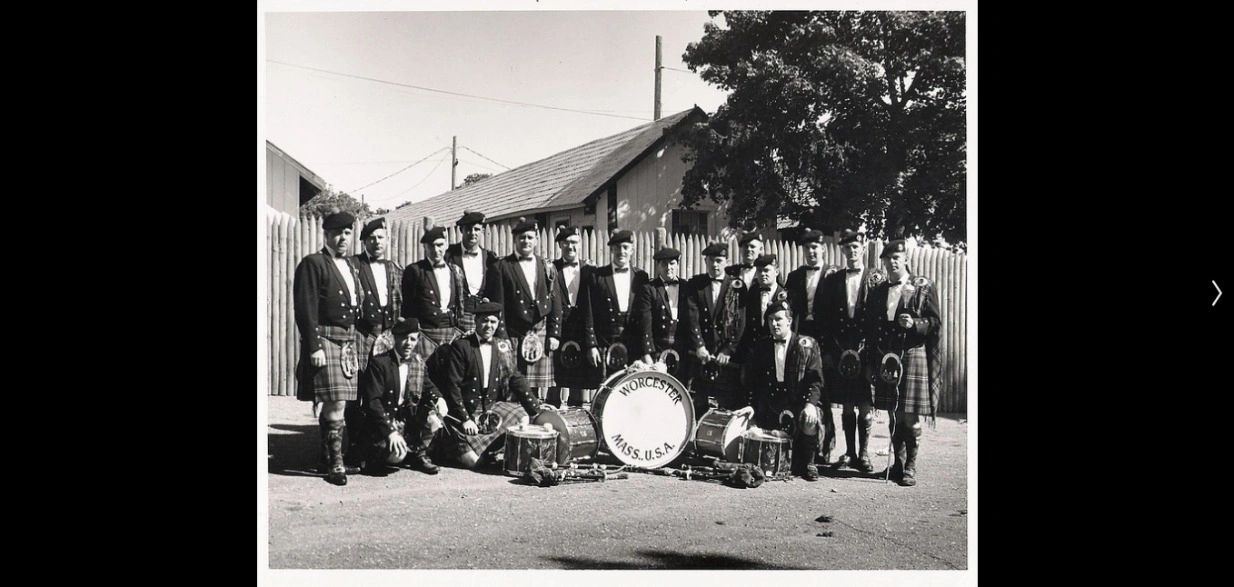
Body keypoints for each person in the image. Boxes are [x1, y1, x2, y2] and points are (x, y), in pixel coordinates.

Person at [428, 301, 554, 468]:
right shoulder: (462, 346)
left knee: (522, 416)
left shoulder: (501, 346)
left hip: (488, 410)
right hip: (461, 414)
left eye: (493, 321)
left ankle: (492, 450)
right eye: (485, 321)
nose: (489, 326)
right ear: (476, 321)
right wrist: (465, 419)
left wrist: (536, 410)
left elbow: (515, 378)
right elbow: (453, 386)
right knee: (474, 463)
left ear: (498, 322)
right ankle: (446, 447)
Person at [293, 211, 365, 486]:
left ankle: (329, 456)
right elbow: (305, 307)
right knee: (335, 402)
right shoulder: (313, 263)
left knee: (341, 403)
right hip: (325, 340)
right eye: (337, 233)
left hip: (347, 343)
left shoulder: (351, 265)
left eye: (347, 232)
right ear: (325, 235)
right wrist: (314, 346)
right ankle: (336, 462)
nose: (343, 238)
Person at [865, 239, 942, 487]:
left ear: (905, 259)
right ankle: (897, 465)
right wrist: (873, 358)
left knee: (910, 417)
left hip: (913, 353)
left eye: (897, 258)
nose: (892, 262)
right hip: (888, 357)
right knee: (894, 414)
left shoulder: (922, 287)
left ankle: (911, 467)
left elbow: (934, 322)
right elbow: (871, 328)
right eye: (888, 259)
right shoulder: (878, 291)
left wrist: (916, 324)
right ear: (884, 262)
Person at [817, 229, 884, 472]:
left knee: (865, 405)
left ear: (863, 248)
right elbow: (826, 318)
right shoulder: (834, 280)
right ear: (843, 250)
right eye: (847, 248)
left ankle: (864, 454)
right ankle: (850, 452)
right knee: (846, 404)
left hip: (867, 351)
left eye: (856, 247)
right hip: (842, 350)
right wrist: (833, 350)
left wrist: (873, 350)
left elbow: (880, 318)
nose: (852, 252)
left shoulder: (876, 278)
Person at [742, 300, 825, 481]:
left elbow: (816, 381)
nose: (774, 324)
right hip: (771, 405)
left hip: (798, 403)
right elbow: (753, 382)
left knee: (811, 417)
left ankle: (810, 463)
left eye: (779, 319)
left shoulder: (807, 345)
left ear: (789, 321)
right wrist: (751, 407)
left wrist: (810, 405)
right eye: (770, 320)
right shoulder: (761, 346)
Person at [484, 218, 562, 402]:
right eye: (521, 238)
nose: (526, 241)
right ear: (515, 240)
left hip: (540, 331)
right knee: (511, 385)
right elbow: (498, 305)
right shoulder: (501, 267)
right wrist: (502, 337)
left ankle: (534, 423)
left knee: (534, 389)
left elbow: (555, 301)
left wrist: (554, 333)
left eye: (529, 237)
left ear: (536, 240)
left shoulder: (547, 266)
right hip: (513, 333)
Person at [355, 317, 441, 476]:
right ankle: (381, 455)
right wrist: (390, 431)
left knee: (434, 413)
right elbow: (372, 402)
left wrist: (440, 399)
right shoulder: (380, 363)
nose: (409, 343)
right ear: (395, 338)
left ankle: (419, 454)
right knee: (396, 457)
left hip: (407, 420)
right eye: (405, 338)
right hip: (384, 422)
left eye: (413, 339)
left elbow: (428, 386)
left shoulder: (418, 362)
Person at [783, 229, 838, 464]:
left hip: (826, 341)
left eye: (815, 247)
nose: (811, 252)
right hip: (800, 338)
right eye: (807, 249)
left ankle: (825, 447)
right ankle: (800, 445)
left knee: (822, 393)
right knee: (798, 389)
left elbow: (840, 311)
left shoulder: (833, 276)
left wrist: (834, 349)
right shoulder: (794, 277)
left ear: (823, 248)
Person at [578, 229, 652, 386]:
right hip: (606, 341)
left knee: (632, 388)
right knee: (606, 389)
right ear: (611, 250)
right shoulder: (597, 276)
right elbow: (589, 312)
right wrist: (592, 345)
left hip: (633, 343)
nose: (621, 251)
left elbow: (645, 314)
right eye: (617, 247)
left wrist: (645, 349)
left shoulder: (641, 277)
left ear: (632, 250)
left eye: (625, 247)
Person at [683, 242, 746, 415]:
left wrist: (728, 350)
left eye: (719, 260)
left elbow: (740, 322)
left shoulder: (737, 287)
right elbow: (692, 317)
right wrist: (699, 346)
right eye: (711, 260)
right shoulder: (696, 284)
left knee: (726, 404)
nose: (715, 265)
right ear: (705, 261)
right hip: (702, 355)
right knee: (697, 403)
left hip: (724, 358)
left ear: (727, 261)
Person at [548, 226, 597, 407]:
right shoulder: (551, 268)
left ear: (580, 243)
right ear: (560, 245)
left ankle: (577, 417)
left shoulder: (590, 269)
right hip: (559, 327)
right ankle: (552, 414)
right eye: (566, 243)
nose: (570, 246)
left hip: (582, 328)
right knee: (555, 378)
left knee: (580, 379)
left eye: (574, 242)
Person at [400, 226, 466, 357]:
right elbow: (408, 308)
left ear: (446, 244)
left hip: (451, 331)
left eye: (440, 245)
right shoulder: (414, 271)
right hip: (426, 333)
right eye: (431, 246)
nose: (436, 250)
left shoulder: (456, 271)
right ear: (425, 247)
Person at [446, 211, 501, 334]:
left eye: (476, 229)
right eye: (468, 229)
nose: (473, 233)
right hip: (457, 316)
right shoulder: (449, 255)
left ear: (481, 230)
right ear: (461, 230)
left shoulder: (490, 258)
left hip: (482, 318)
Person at [639, 247, 687, 370]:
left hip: (683, 350)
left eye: (672, 263)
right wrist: (647, 353)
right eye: (664, 264)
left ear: (677, 265)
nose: (668, 267)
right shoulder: (649, 288)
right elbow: (645, 323)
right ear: (658, 266)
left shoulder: (687, 287)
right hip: (658, 350)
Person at [737, 254, 790, 354]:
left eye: (766, 270)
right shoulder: (752, 293)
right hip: (754, 349)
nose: (762, 274)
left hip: (776, 349)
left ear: (776, 272)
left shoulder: (785, 296)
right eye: (759, 271)